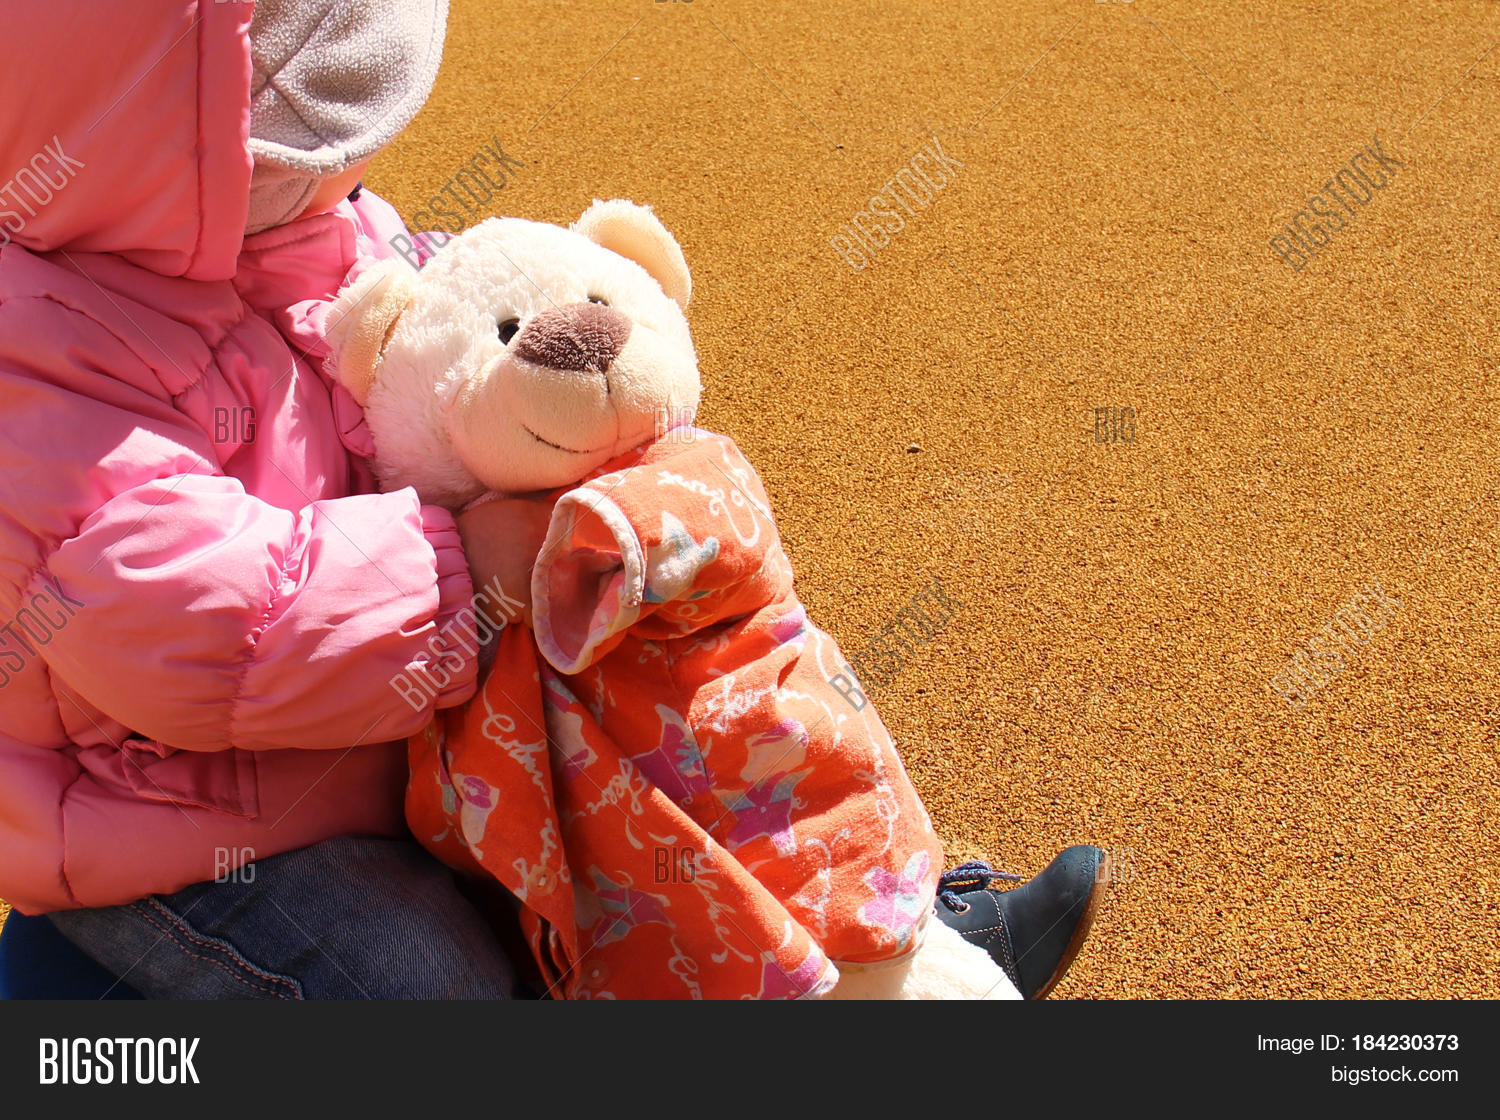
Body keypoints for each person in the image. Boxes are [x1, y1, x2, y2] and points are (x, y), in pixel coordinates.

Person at [0, 0, 1105, 1000]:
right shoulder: (42, 344)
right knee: (433, 982)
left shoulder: (309, 226)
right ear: (185, 147)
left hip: (394, 740)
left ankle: (873, 925)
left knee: (693, 679)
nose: (360, 163)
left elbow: (422, 356)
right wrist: (463, 564)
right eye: (318, 143)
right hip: (179, 831)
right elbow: (181, 618)